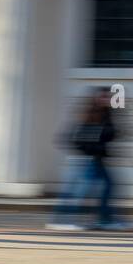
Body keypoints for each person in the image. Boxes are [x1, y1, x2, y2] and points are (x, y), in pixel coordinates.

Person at [48, 87, 121, 231]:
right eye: (104, 97)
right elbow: (87, 139)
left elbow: (111, 135)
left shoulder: (106, 114)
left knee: (107, 187)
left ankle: (104, 220)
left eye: (109, 97)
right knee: (79, 191)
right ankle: (62, 220)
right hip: (87, 159)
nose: (107, 100)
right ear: (96, 99)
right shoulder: (90, 115)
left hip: (97, 159)